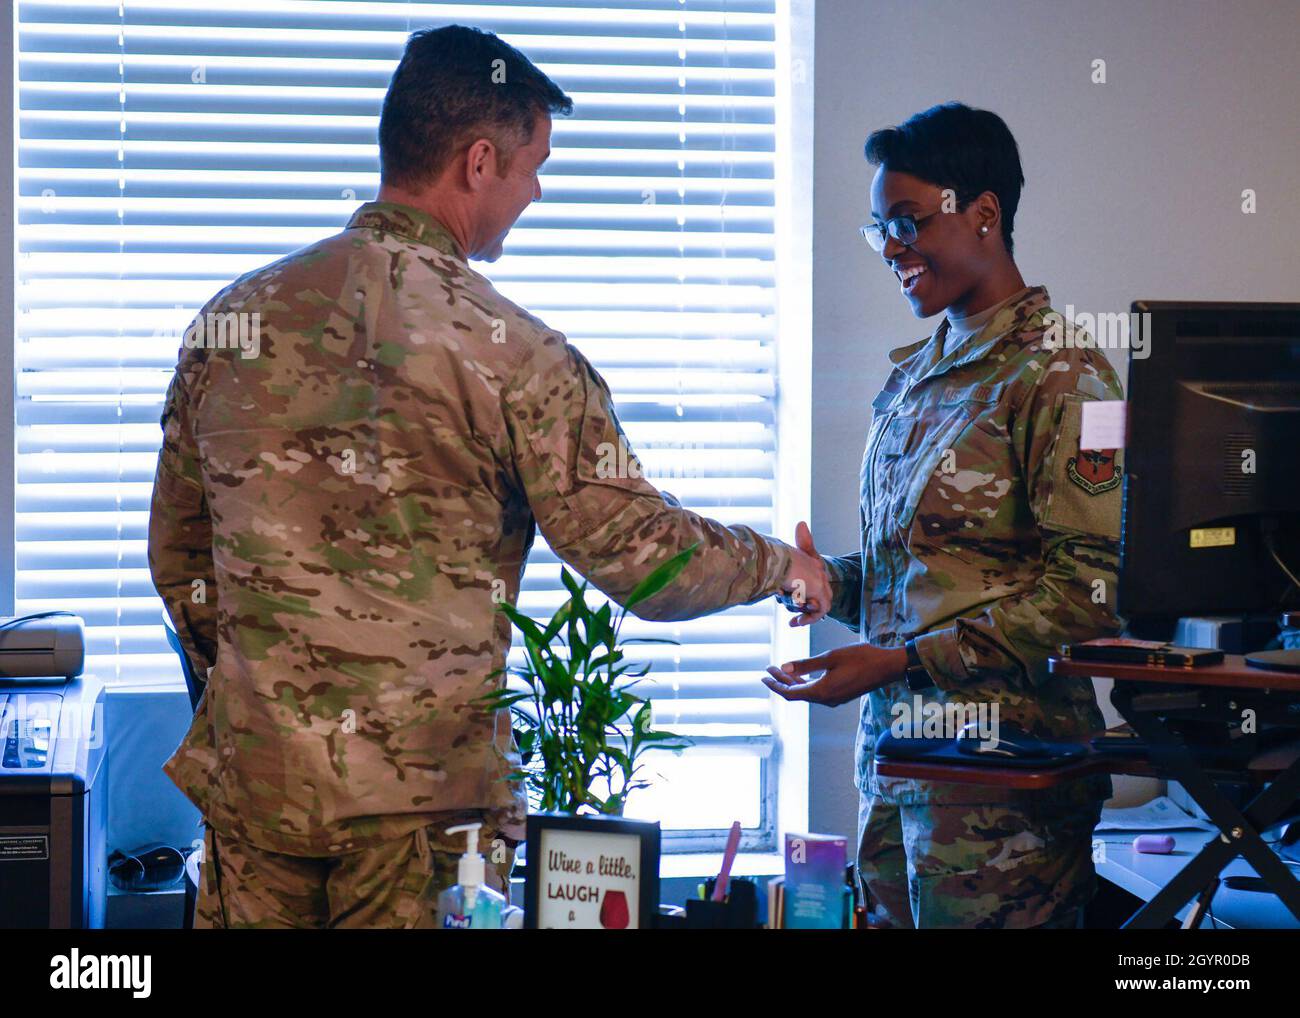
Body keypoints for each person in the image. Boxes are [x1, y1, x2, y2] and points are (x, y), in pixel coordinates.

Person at [148, 24, 830, 929]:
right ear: (478, 163)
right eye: (533, 164)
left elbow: (178, 557)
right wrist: (781, 564)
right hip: (422, 817)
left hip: (256, 796)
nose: (536, 189)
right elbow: (643, 560)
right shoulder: (519, 357)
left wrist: (252, 701)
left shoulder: (227, 325)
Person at [765, 102, 1123, 929]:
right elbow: (921, 577)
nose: (891, 248)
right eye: (879, 229)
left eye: (907, 222)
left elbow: (1090, 592)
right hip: (900, 771)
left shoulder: (1063, 373)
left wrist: (898, 665)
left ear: (984, 214)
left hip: (1004, 793)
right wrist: (827, 583)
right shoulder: (918, 376)